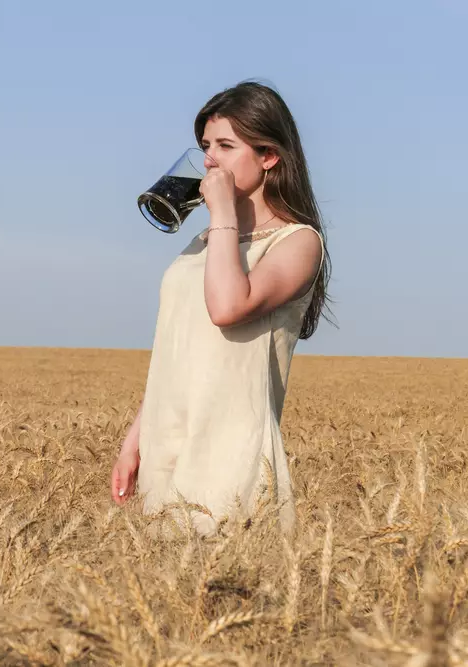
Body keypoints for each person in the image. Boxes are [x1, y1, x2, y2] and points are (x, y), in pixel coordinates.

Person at [110, 80, 331, 537]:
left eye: (226, 146)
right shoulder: (206, 240)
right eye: (206, 146)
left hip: (229, 449)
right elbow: (181, 347)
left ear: (269, 156)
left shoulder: (298, 242)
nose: (209, 159)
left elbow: (229, 307)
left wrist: (222, 213)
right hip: (167, 441)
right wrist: (136, 438)